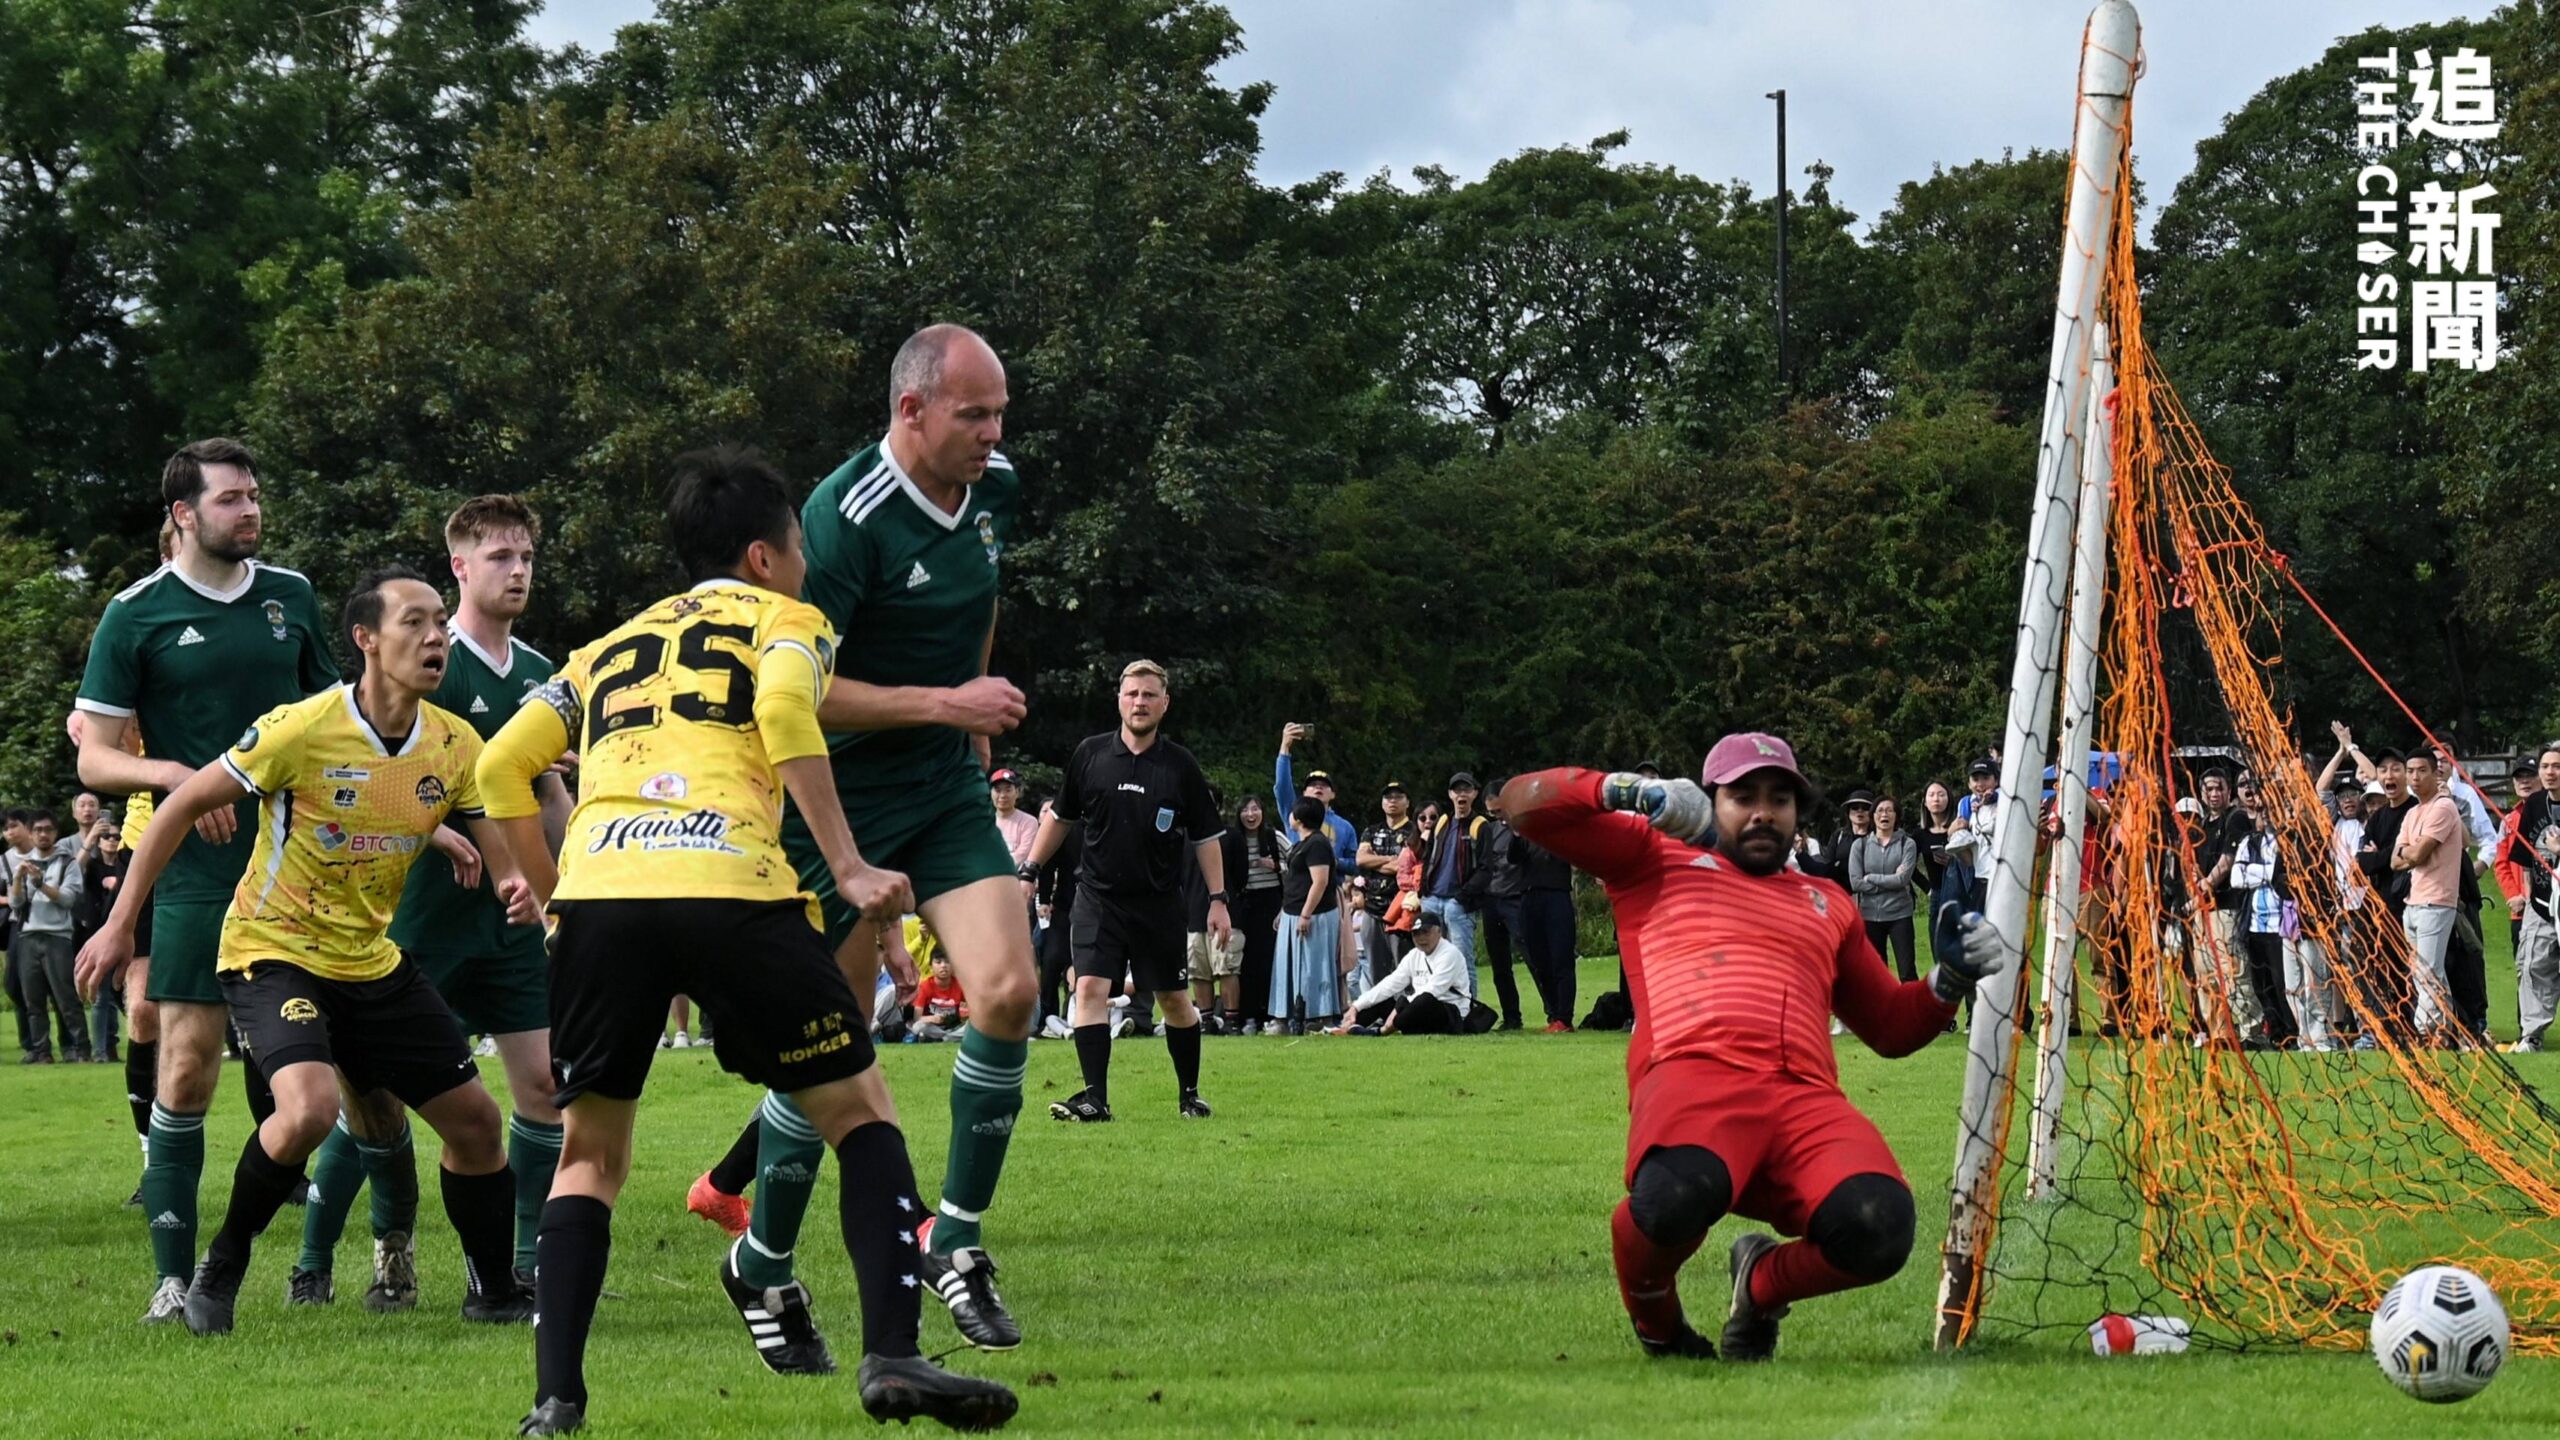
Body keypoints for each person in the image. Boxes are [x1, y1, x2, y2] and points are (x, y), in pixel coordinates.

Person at [476, 446, 1016, 1434]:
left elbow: (501, 766)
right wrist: (848, 866)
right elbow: (779, 707)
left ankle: (556, 1402)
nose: (807, 565)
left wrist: (558, 903)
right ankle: (892, 1355)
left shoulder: (603, 650)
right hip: (728, 883)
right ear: (764, 558)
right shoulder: (789, 621)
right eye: (799, 548)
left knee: (589, 1158)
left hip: (605, 901)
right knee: (861, 1113)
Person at [686, 325, 1036, 1356]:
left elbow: (980, 600)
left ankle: (955, 1241)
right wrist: (947, 703)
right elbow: (800, 689)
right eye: (974, 414)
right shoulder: (844, 520)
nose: (994, 433)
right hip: (842, 799)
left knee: (1009, 992)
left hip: (944, 789)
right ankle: (761, 1261)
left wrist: (969, 716)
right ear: (910, 410)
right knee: (826, 1046)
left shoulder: (996, 488)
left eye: (1000, 412)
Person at [74, 566, 538, 1337]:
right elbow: (180, 805)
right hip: (273, 952)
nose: (436, 638)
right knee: (310, 1109)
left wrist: (519, 886)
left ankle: (494, 1291)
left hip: (371, 961)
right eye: (415, 623)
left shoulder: (457, 743)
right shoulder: (300, 727)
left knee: (477, 1123)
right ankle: (221, 1267)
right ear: (366, 640)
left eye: (440, 624)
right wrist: (120, 924)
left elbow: (502, 852)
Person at [1501, 734, 2005, 1362]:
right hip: (1695, 1080)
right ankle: (1659, 1323)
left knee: (1882, 1224)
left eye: (1779, 799)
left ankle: (1760, 1284)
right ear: (1710, 801)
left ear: (1797, 812)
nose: (1763, 812)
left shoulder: (1828, 903)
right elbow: (1522, 804)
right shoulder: (1652, 856)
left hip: (1805, 1101)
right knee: (1673, 1195)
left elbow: (1889, 1027)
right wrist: (1627, 791)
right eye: (1743, 797)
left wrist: (1947, 981)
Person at [71, 437, 341, 1322]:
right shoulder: (134, 613)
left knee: (342, 1079)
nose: (250, 510)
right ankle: (172, 1277)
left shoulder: (291, 595)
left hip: (299, 868)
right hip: (194, 873)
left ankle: (344, 1256)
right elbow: (96, 759)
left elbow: (333, 723)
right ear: (183, 514)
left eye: (254, 495)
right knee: (186, 1069)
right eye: (231, 498)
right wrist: (182, 780)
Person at [295, 495, 574, 1311]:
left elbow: (550, 794)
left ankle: (524, 1262)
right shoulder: (425, 658)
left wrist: (566, 891)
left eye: (526, 557)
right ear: (460, 567)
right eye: (500, 557)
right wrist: (440, 833)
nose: (517, 571)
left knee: (544, 1087)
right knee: (375, 1099)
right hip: (420, 920)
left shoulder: (541, 673)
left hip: (513, 923)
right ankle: (317, 1259)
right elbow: (384, 779)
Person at [1026, 660, 1230, 1122]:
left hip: (1159, 903)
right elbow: (1060, 818)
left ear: (1165, 703)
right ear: (1119, 700)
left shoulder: (1180, 765)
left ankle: (1190, 1094)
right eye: (1132, 694)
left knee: (1173, 999)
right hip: (1098, 898)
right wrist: (1030, 869)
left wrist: (1218, 901)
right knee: (1089, 988)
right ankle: (1095, 1098)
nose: (1140, 702)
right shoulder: (1090, 754)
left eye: (1149, 695)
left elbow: (1206, 837)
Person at [2393, 750, 2467, 1044]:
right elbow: (2394, 861)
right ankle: (2445, 1031)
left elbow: (2417, 855)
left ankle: (2425, 1030)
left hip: (2436, 900)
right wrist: (2408, 853)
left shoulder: (2443, 807)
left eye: (2421, 770)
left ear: (2436, 773)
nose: (2414, 777)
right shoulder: (2412, 812)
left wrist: (2408, 852)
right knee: (2422, 971)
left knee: (2428, 970)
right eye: (2410, 771)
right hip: (2413, 900)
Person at [12, 813, 88, 1062]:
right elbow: (16, 903)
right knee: (33, 1000)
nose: (43, 834)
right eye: (38, 830)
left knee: (66, 997)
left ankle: (80, 1049)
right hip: (28, 935)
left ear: (56, 833)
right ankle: (41, 1051)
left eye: (48, 829)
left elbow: (67, 899)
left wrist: (40, 884)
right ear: (30, 833)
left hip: (57, 936)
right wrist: (18, 879)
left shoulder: (67, 862)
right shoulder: (23, 863)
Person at [2500, 744, 2560, 1053]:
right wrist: (2527, 897)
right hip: (2540, 902)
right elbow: (2523, 859)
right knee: (2533, 965)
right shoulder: (2534, 804)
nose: (2550, 772)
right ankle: (2532, 1035)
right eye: (2545, 767)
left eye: (2557, 766)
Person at [1334, 910, 1472, 1035]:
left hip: (1449, 1012)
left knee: (1425, 999)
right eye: (1416, 933)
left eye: (1426, 932)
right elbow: (1391, 983)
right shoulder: (1414, 955)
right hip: (1416, 1009)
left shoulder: (1450, 954)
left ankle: (1380, 1031)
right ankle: (1347, 1025)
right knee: (1383, 997)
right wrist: (1356, 1006)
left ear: (1439, 931)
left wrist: (1400, 1007)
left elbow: (1434, 990)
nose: (1421, 938)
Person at [1270, 797, 1341, 1034]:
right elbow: (1296, 882)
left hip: (1314, 915)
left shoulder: (1317, 844)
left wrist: (1306, 914)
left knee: (1314, 965)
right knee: (1290, 967)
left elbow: (1320, 881)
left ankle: (1317, 1015)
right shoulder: (1302, 844)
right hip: (1293, 911)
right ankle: (1288, 1015)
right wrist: (1284, 910)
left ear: (1299, 818)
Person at [1422, 773, 1495, 999]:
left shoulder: (1480, 826)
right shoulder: (1442, 822)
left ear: (1474, 794)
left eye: (1466, 790)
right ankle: (1435, 1008)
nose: (1461, 794)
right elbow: (1428, 857)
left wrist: (1462, 897)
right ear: (1450, 794)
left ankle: (1469, 1009)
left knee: (1462, 960)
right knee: (1429, 961)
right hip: (1432, 899)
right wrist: (1423, 890)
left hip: (1459, 904)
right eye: (1457, 790)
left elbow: (1486, 869)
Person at [1223, 795, 1287, 1034]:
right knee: (1245, 961)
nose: (1250, 815)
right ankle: (1247, 1015)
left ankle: (1270, 1013)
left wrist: (1276, 866)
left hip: (1270, 902)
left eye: (1255, 809)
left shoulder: (1273, 837)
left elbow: (1298, 863)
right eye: (1245, 810)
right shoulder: (1233, 839)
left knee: (1269, 959)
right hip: (1243, 902)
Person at [1515, 820, 1581, 1032]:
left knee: (1561, 958)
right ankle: (1553, 1014)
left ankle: (1564, 1017)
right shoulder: (1525, 830)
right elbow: (1513, 858)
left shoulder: (1560, 830)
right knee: (1539, 960)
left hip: (1556, 895)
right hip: (1529, 895)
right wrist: (1516, 835)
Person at [1845, 798, 1920, 983]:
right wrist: (1892, 881)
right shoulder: (1860, 846)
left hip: (1900, 914)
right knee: (1876, 975)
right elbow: (1855, 883)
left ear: (1896, 816)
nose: (1884, 815)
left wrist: (1871, 877)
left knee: (1907, 972)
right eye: (1880, 810)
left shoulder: (1907, 844)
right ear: (1873, 816)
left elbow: (1903, 879)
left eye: (1889, 810)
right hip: (1870, 915)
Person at [1272, 724, 1357, 868]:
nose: (1318, 787)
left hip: (1332, 881)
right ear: (1304, 793)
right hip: (1299, 878)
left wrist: (1335, 862)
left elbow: (1355, 863)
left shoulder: (1345, 827)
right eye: (1313, 785)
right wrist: (1285, 747)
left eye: (1324, 785)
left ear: (1333, 794)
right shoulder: (1295, 814)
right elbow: (1282, 786)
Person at [1356, 781, 1420, 972]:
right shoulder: (1371, 831)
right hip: (1372, 908)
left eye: (1398, 797)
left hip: (1402, 908)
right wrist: (1389, 860)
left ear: (1407, 802)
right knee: (1375, 970)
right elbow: (1361, 859)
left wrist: (1376, 861)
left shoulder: (1414, 831)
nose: (1393, 801)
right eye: (1388, 797)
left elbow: (1406, 867)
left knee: (1405, 968)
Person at [913, 952, 969, 1042]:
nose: (943, 966)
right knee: (918, 1027)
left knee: (974, 1026)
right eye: (938, 962)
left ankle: (943, 1039)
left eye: (947, 962)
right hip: (933, 1028)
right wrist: (932, 1018)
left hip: (954, 1028)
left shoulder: (960, 985)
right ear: (931, 967)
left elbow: (974, 1008)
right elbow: (917, 1018)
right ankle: (948, 1038)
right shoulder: (925, 986)